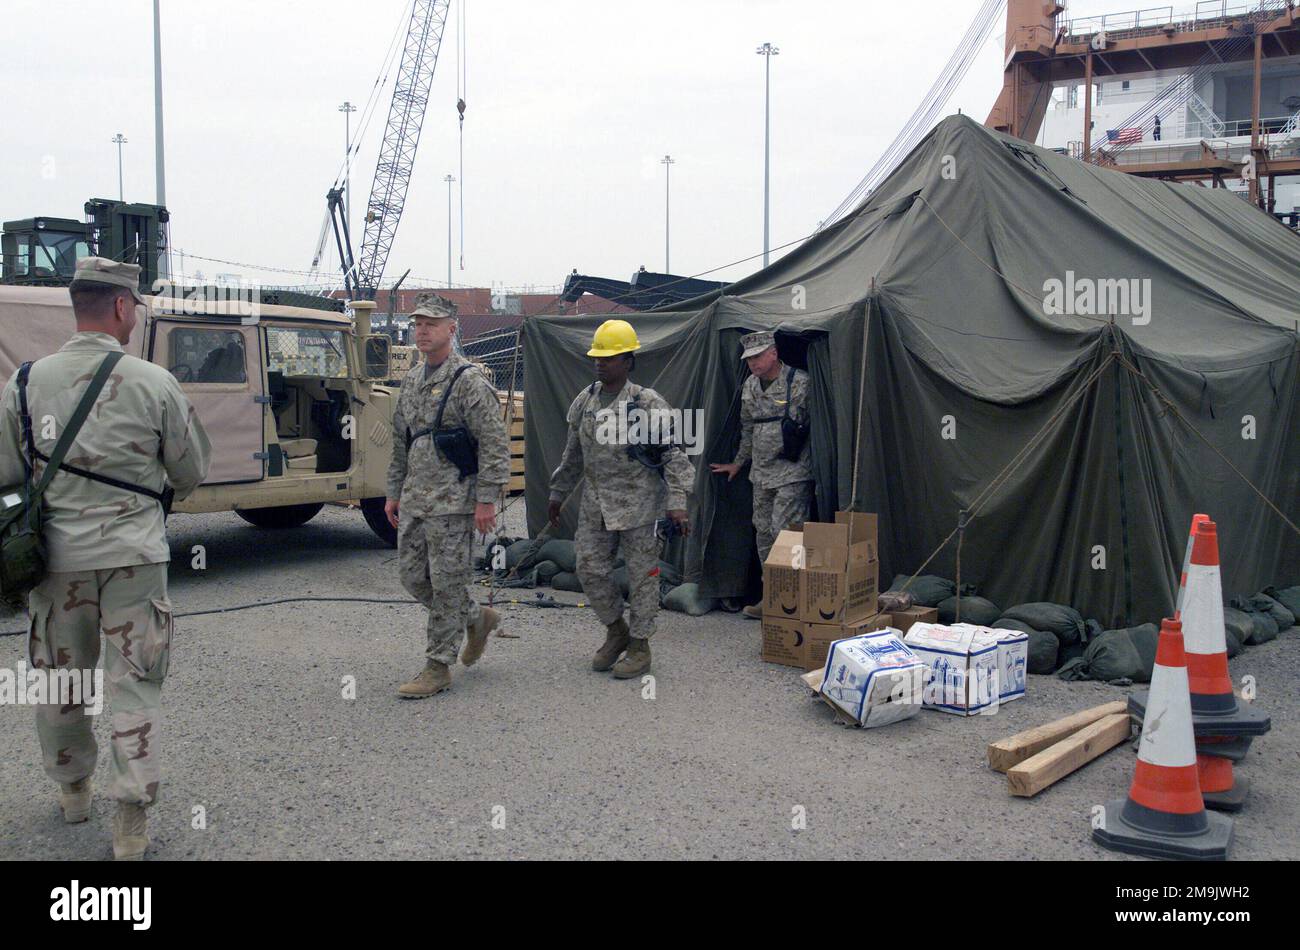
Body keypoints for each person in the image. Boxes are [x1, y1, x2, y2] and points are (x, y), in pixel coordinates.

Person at [0, 257, 212, 860]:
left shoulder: (23, 383)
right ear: (121, 306)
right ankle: (131, 819)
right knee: (135, 682)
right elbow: (191, 470)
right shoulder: (153, 382)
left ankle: (72, 789)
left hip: (56, 564)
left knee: (62, 679)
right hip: (134, 560)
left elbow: (7, 479)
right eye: (136, 306)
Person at [548, 320, 693, 678]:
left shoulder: (646, 403)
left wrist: (677, 501)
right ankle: (617, 632)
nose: (601, 363)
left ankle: (641, 647)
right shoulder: (586, 401)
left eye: (610, 358)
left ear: (628, 361)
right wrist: (557, 492)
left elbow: (674, 454)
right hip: (597, 507)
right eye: (598, 357)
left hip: (641, 507)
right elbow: (573, 455)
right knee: (590, 569)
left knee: (643, 577)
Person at [385, 297, 510, 698]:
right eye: (418, 323)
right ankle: (476, 618)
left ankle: (437, 666)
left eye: (432, 323)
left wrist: (487, 500)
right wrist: (393, 492)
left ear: (452, 328)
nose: (422, 330)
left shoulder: (469, 381)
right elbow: (401, 443)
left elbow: (494, 443)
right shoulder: (412, 381)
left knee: (446, 582)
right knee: (412, 577)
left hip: (455, 500)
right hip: (417, 498)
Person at [709, 331, 813, 618]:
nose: (753, 363)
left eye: (757, 356)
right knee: (764, 533)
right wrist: (739, 463)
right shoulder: (750, 387)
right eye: (749, 359)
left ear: (773, 354)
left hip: (793, 471)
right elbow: (748, 429)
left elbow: (818, 426)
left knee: (788, 534)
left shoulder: (800, 382)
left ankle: (797, 598)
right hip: (762, 473)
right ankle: (774, 597)